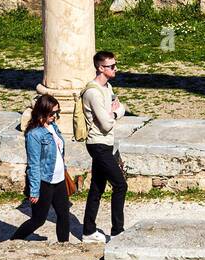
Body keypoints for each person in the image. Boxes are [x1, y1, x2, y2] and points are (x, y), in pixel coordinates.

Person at [9, 94, 71, 243]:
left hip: (59, 179)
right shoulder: (34, 135)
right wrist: (34, 190)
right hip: (44, 181)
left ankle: (65, 247)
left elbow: (58, 151)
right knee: (38, 220)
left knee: (64, 215)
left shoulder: (53, 126)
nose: (55, 116)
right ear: (42, 112)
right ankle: (13, 241)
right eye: (52, 113)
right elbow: (34, 164)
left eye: (57, 112)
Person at [81, 49, 127, 241]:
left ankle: (88, 231)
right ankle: (117, 231)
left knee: (97, 187)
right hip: (97, 144)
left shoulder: (108, 88)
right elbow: (107, 123)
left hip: (106, 143)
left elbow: (122, 107)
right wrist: (114, 113)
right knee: (120, 185)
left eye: (115, 65)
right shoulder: (93, 93)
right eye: (111, 66)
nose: (116, 69)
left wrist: (115, 112)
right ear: (100, 68)